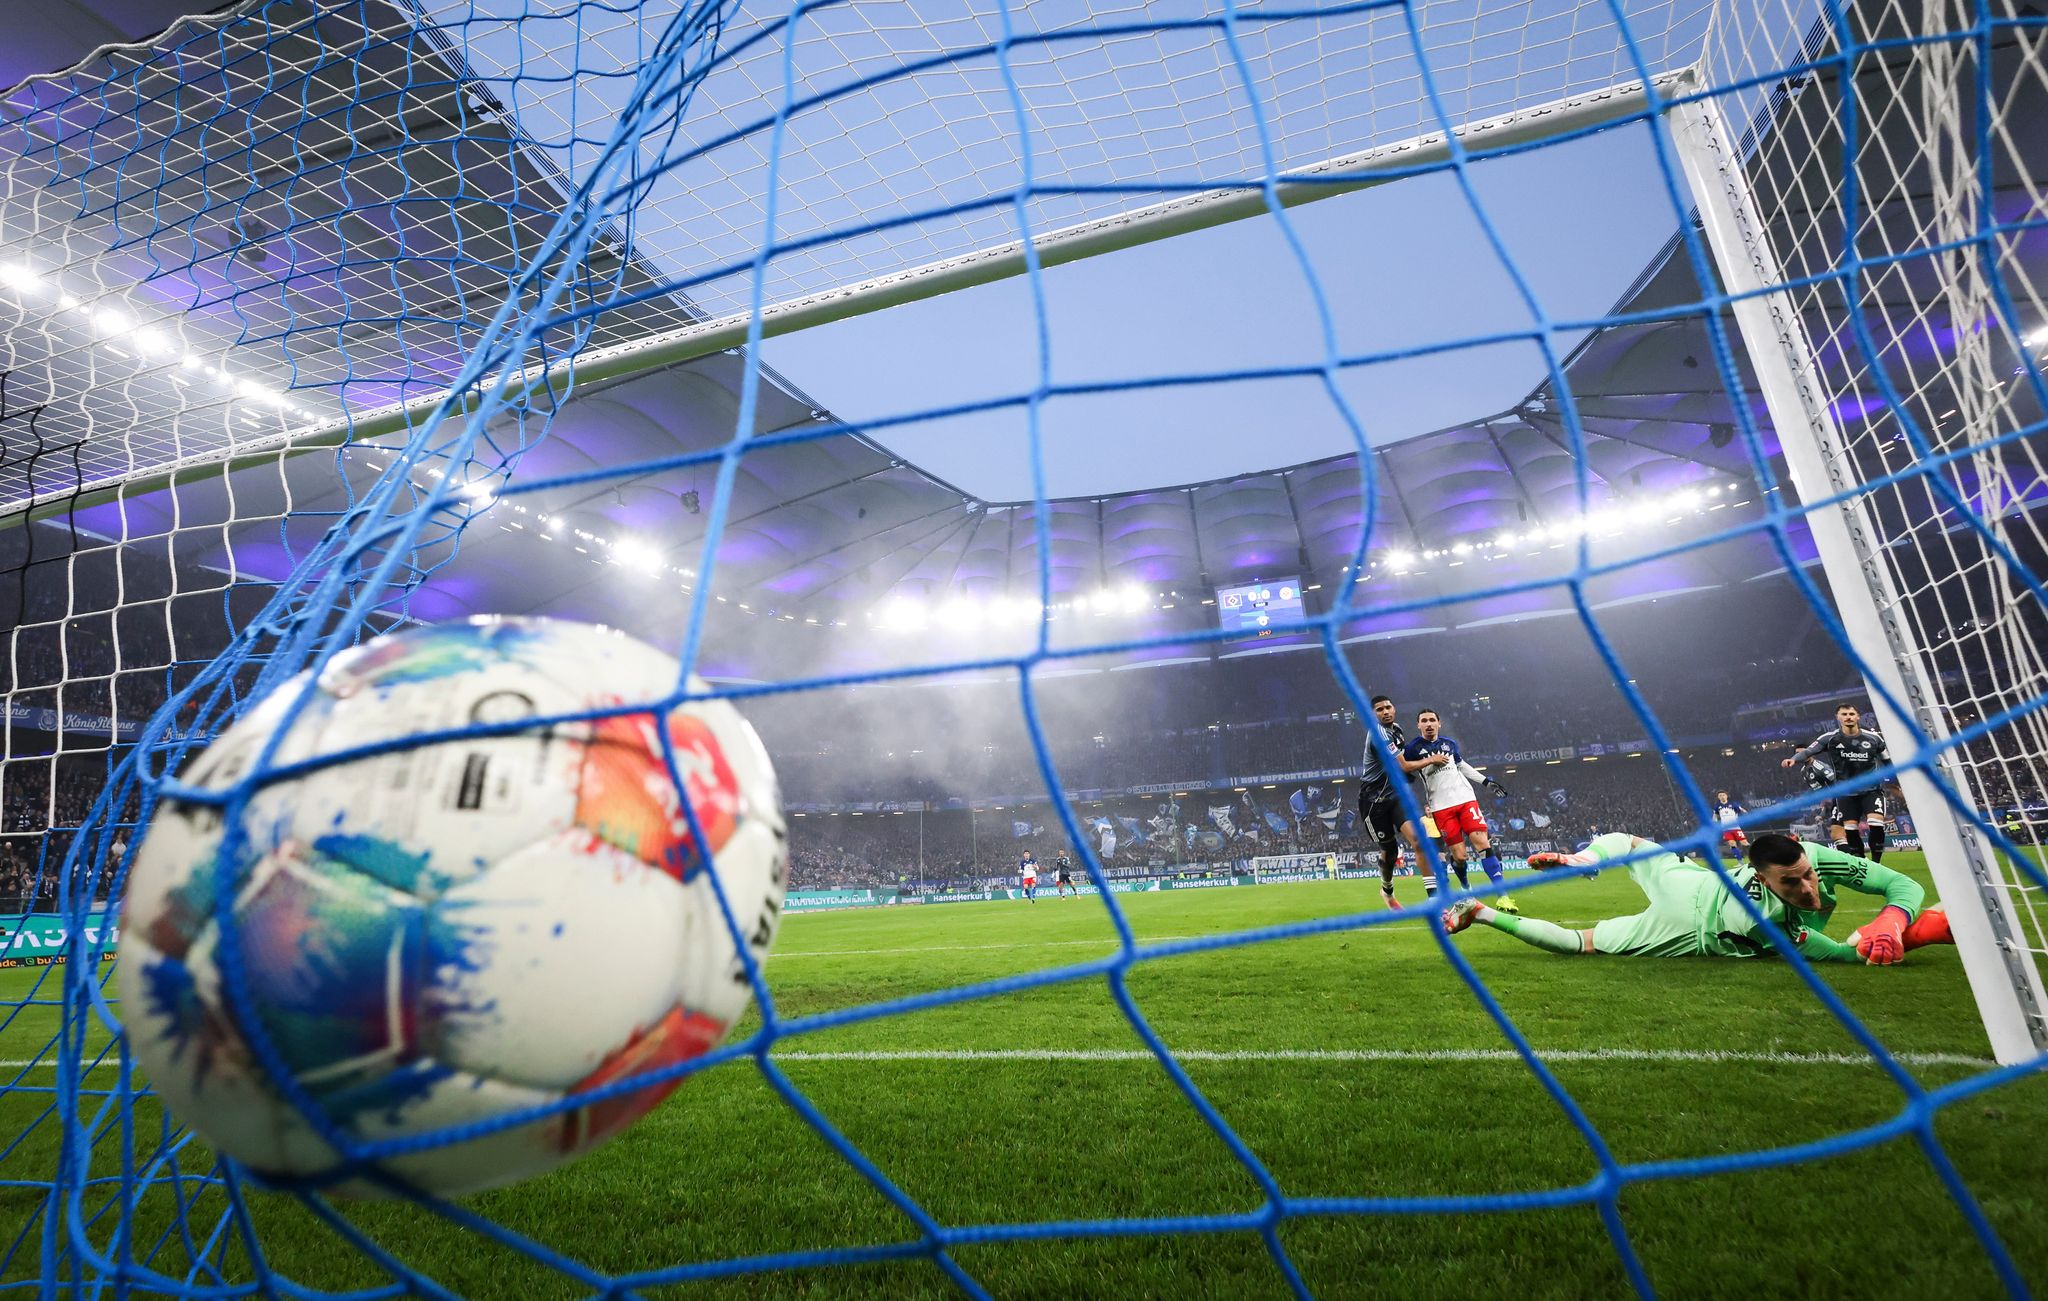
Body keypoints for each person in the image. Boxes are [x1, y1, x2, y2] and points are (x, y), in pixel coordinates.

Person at [1442, 830, 1952, 964]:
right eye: (1792, 884)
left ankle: (1484, 908)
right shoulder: (1769, 925)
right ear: (1764, 879)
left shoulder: (1815, 858)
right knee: (1578, 945)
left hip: (1695, 878)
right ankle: (1486, 912)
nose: (1807, 887)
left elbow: (1901, 885)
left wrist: (1893, 916)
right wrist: (1915, 934)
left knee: (1629, 849)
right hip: (1688, 924)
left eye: (1806, 876)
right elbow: (1841, 954)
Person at [1401, 709, 1517, 912]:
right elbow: (1403, 766)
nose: (1428, 724)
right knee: (1460, 856)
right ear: (1418, 725)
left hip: (1465, 799)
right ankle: (1466, 888)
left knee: (1482, 842)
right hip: (1440, 807)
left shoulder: (1449, 744)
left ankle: (1503, 896)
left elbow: (1461, 765)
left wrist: (1486, 781)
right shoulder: (1413, 748)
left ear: (1439, 723)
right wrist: (1429, 760)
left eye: (1432, 720)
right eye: (1424, 721)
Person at [1782, 703, 1893, 861]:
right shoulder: (1830, 738)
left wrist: (1891, 780)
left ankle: (1876, 862)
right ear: (1838, 718)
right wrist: (1793, 759)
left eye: (1851, 714)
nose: (1848, 717)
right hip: (1845, 792)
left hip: (1872, 790)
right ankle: (1862, 861)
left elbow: (1887, 762)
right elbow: (1808, 751)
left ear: (1857, 717)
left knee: (1876, 824)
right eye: (1844, 714)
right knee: (1850, 829)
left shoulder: (1874, 738)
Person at [1358, 694, 1422, 910]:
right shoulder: (1378, 734)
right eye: (1379, 709)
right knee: (1390, 850)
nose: (1385, 711)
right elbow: (1403, 766)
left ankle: (1435, 898)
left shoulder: (1396, 729)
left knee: (1418, 840)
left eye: (1388, 707)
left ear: (1394, 709)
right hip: (1373, 802)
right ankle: (1387, 889)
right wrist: (1431, 758)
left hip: (1395, 797)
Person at [1709, 791, 1748, 859]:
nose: (1722, 796)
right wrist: (1714, 822)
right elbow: (1715, 816)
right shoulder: (1717, 806)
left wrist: (1745, 813)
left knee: (1744, 842)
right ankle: (1740, 862)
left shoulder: (1733, 804)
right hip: (1726, 829)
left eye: (1723, 795)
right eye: (1720, 795)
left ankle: (1754, 857)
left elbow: (1741, 810)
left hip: (1735, 828)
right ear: (1718, 797)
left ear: (1726, 796)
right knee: (1732, 844)